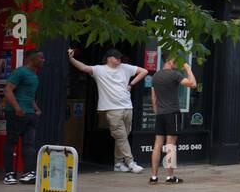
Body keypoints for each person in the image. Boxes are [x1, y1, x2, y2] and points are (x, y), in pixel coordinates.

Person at [68, 48, 147, 173]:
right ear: (109, 58)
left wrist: (131, 84)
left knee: (122, 137)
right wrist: (71, 58)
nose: (119, 60)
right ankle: (130, 162)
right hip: (112, 109)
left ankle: (118, 164)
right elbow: (83, 68)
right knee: (121, 137)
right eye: (117, 57)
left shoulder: (125, 67)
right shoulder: (99, 69)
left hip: (127, 107)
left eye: (120, 58)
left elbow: (144, 71)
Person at [149, 55, 196, 183]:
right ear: (170, 60)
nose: (178, 64)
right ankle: (170, 176)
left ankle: (154, 177)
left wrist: (157, 112)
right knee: (170, 145)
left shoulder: (156, 76)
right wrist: (188, 69)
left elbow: (153, 98)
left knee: (157, 144)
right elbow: (193, 84)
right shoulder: (174, 75)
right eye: (176, 61)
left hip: (160, 114)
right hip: (172, 113)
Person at [2, 48, 45, 184]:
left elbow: (28, 95)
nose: (43, 60)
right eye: (41, 57)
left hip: (30, 114)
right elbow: (8, 90)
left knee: (29, 144)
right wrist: (17, 108)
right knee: (11, 141)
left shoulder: (34, 74)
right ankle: (9, 174)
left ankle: (28, 173)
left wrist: (36, 109)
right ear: (32, 58)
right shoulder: (20, 72)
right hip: (16, 113)